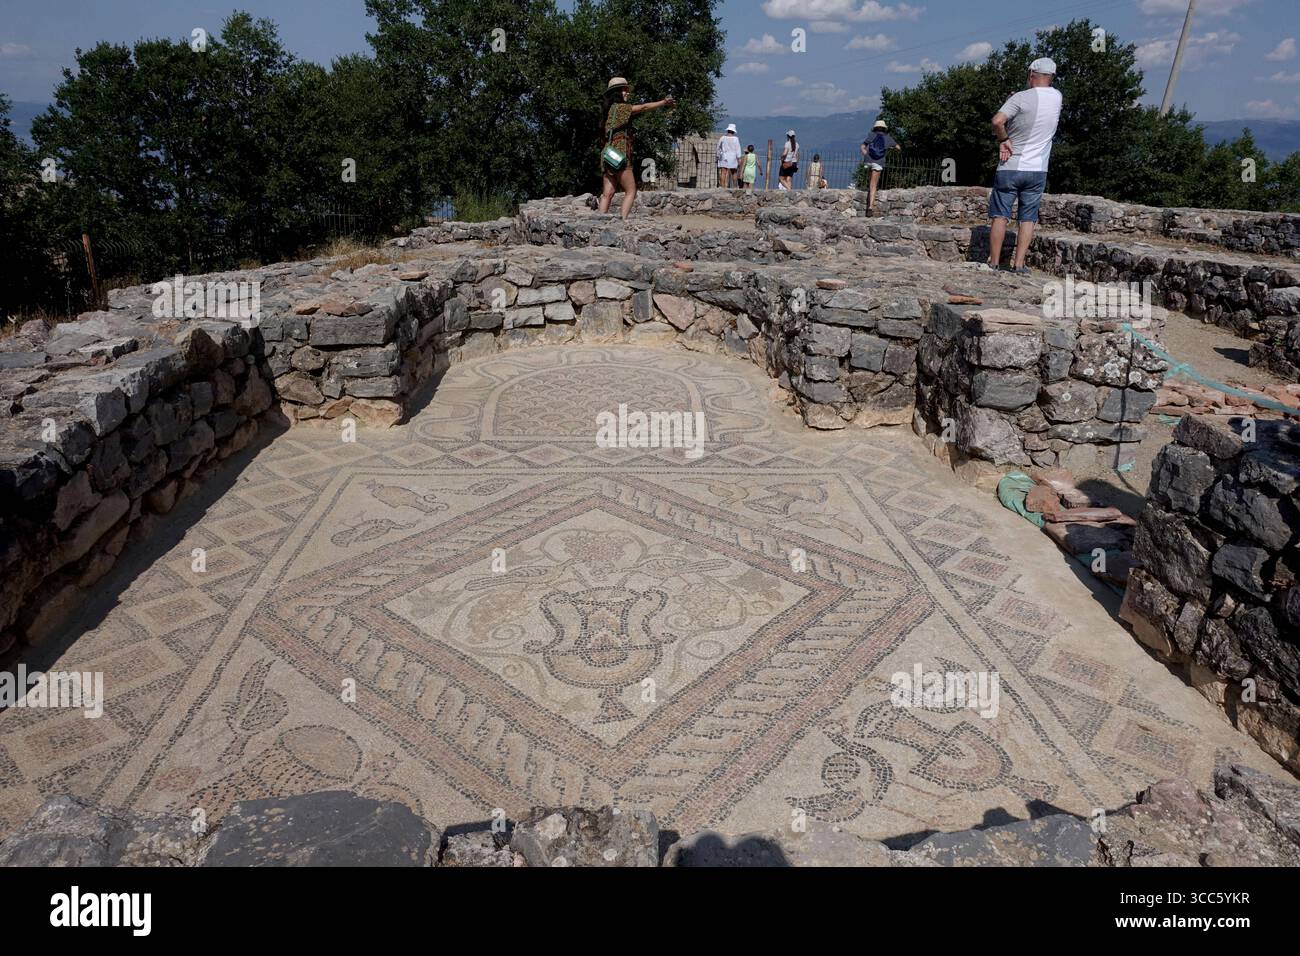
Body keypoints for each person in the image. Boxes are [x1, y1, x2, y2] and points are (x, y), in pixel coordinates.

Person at [987, 57, 1062, 274]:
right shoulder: (1057, 97)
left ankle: (993, 262)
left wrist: (1004, 140)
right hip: (1038, 169)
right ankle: (1019, 265)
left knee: (1000, 214)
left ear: (1031, 75)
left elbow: (997, 121)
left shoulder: (1019, 98)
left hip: (1010, 165)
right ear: (1051, 77)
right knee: (1028, 217)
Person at [598, 77, 675, 219]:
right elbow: (644, 107)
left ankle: (598, 223)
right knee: (631, 191)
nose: (627, 93)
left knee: (607, 193)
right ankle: (622, 222)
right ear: (617, 92)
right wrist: (663, 102)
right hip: (619, 152)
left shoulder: (608, 110)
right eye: (624, 90)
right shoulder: (621, 108)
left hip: (607, 153)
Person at [861, 119, 900, 212]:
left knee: (870, 182)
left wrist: (866, 154)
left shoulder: (871, 135)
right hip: (878, 162)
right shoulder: (888, 137)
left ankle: (869, 198)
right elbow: (898, 147)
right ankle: (870, 207)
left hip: (868, 161)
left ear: (875, 127)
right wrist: (891, 147)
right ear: (884, 128)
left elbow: (862, 146)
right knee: (874, 185)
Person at [716, 124, 741, 188]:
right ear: (733, 131)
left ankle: (722, 187)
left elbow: (718, 147)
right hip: (733, 157)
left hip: (724, 156)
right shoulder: (736, 139)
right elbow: (738, 149)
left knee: (723, 172)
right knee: (734, 172)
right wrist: (739, 159)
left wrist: (718, 155)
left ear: (728, 130)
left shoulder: (722, 138)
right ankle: (735, 186)